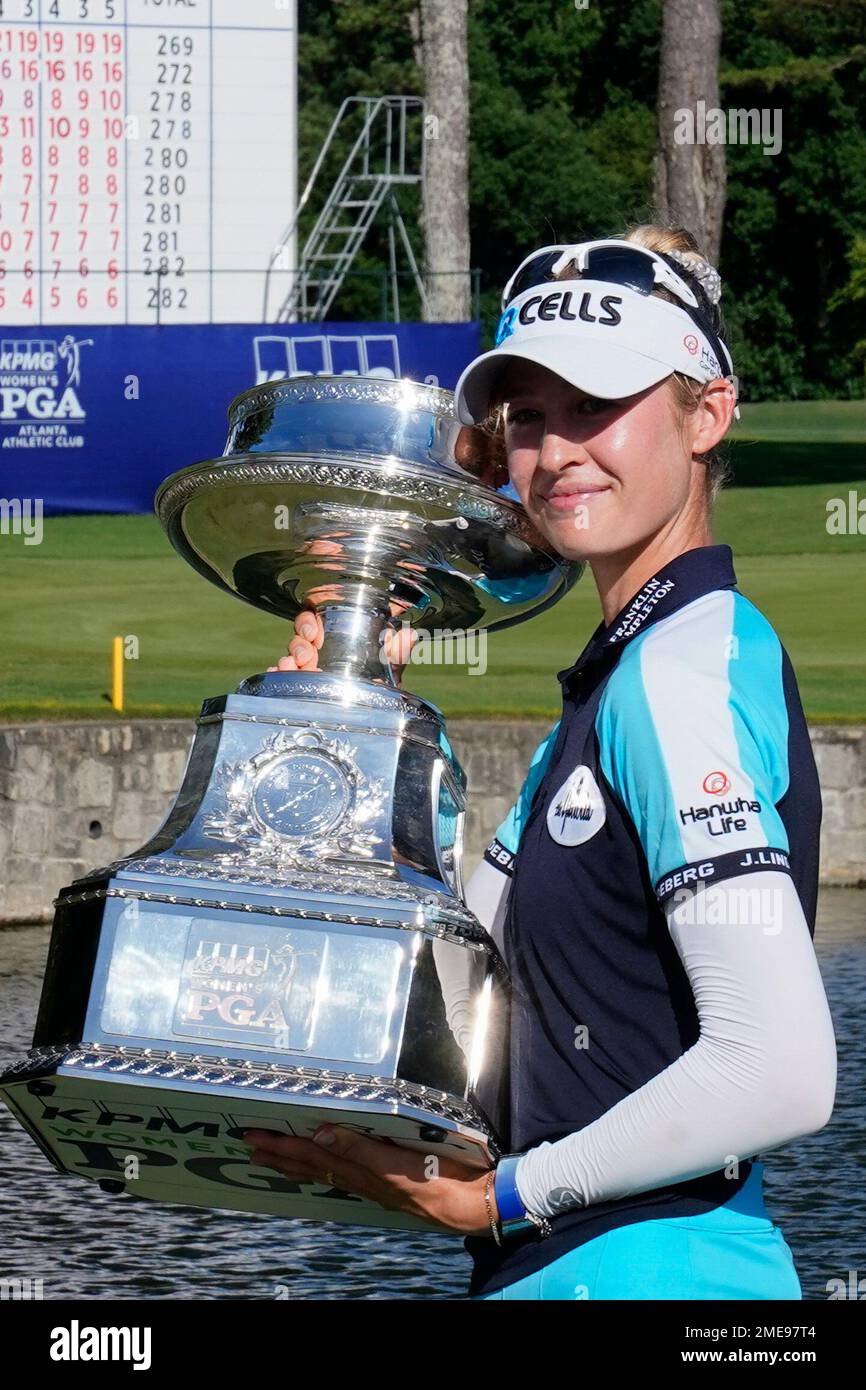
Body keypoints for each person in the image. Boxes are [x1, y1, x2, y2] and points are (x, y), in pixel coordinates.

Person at [243, 224, 837, 1301]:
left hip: (651, 1273)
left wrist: (502, 1197)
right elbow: (457, 992)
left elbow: (780, 1068)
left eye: (594, 404)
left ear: (706, 413)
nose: (555, 450)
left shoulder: (677, 671)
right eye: (527, 415)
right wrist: (352, 720)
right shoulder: (628, 674)